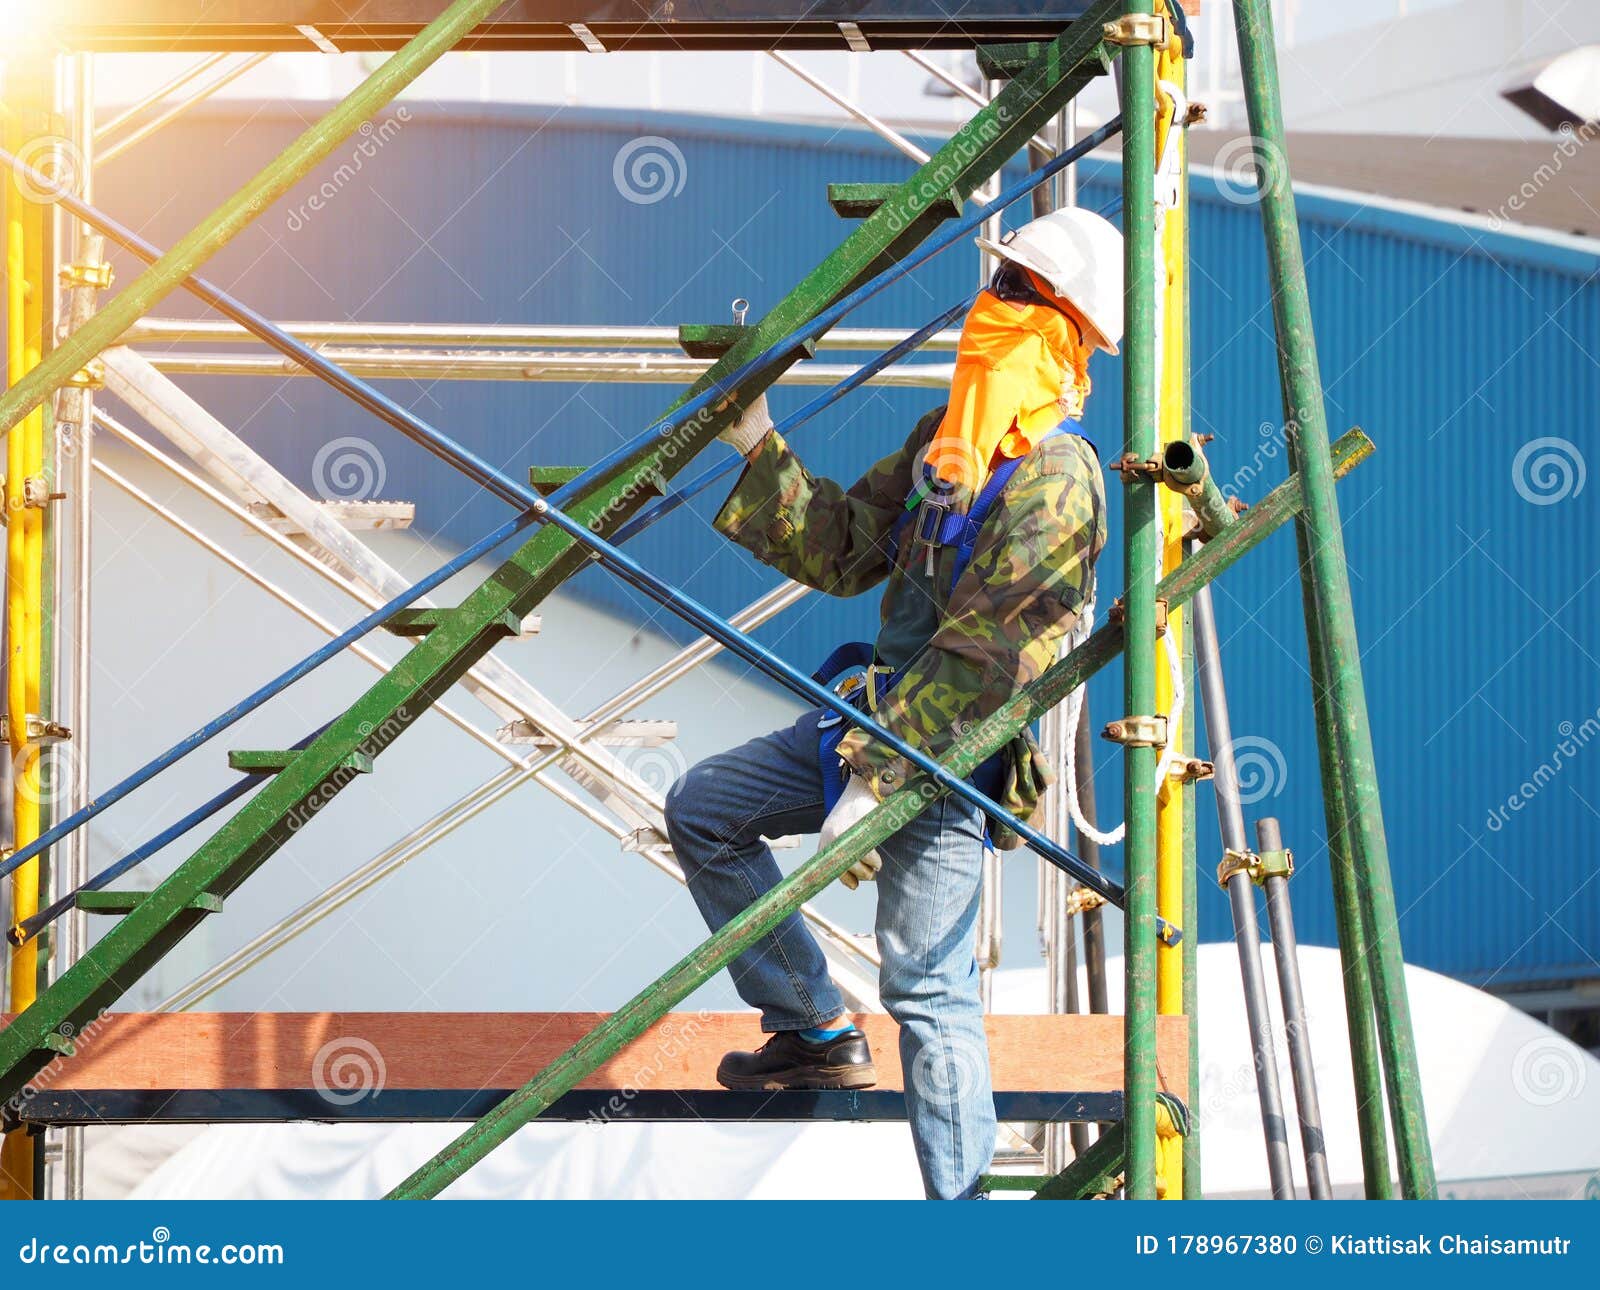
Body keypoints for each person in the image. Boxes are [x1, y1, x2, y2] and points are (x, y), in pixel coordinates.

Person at [663, 208, 1122, 1199]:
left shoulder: (1059, 479)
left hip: (949, 755)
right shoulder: (942, 443)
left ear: (1068, 335)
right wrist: (757, 445)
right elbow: (841, 546)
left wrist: (877, 780)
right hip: (869, 727)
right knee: (705, 807)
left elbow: (988, 658)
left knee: (925, 988)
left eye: (1021, 295)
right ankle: (812, 1027)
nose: (991, 309)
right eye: (996, 289)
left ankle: (956, 1223)